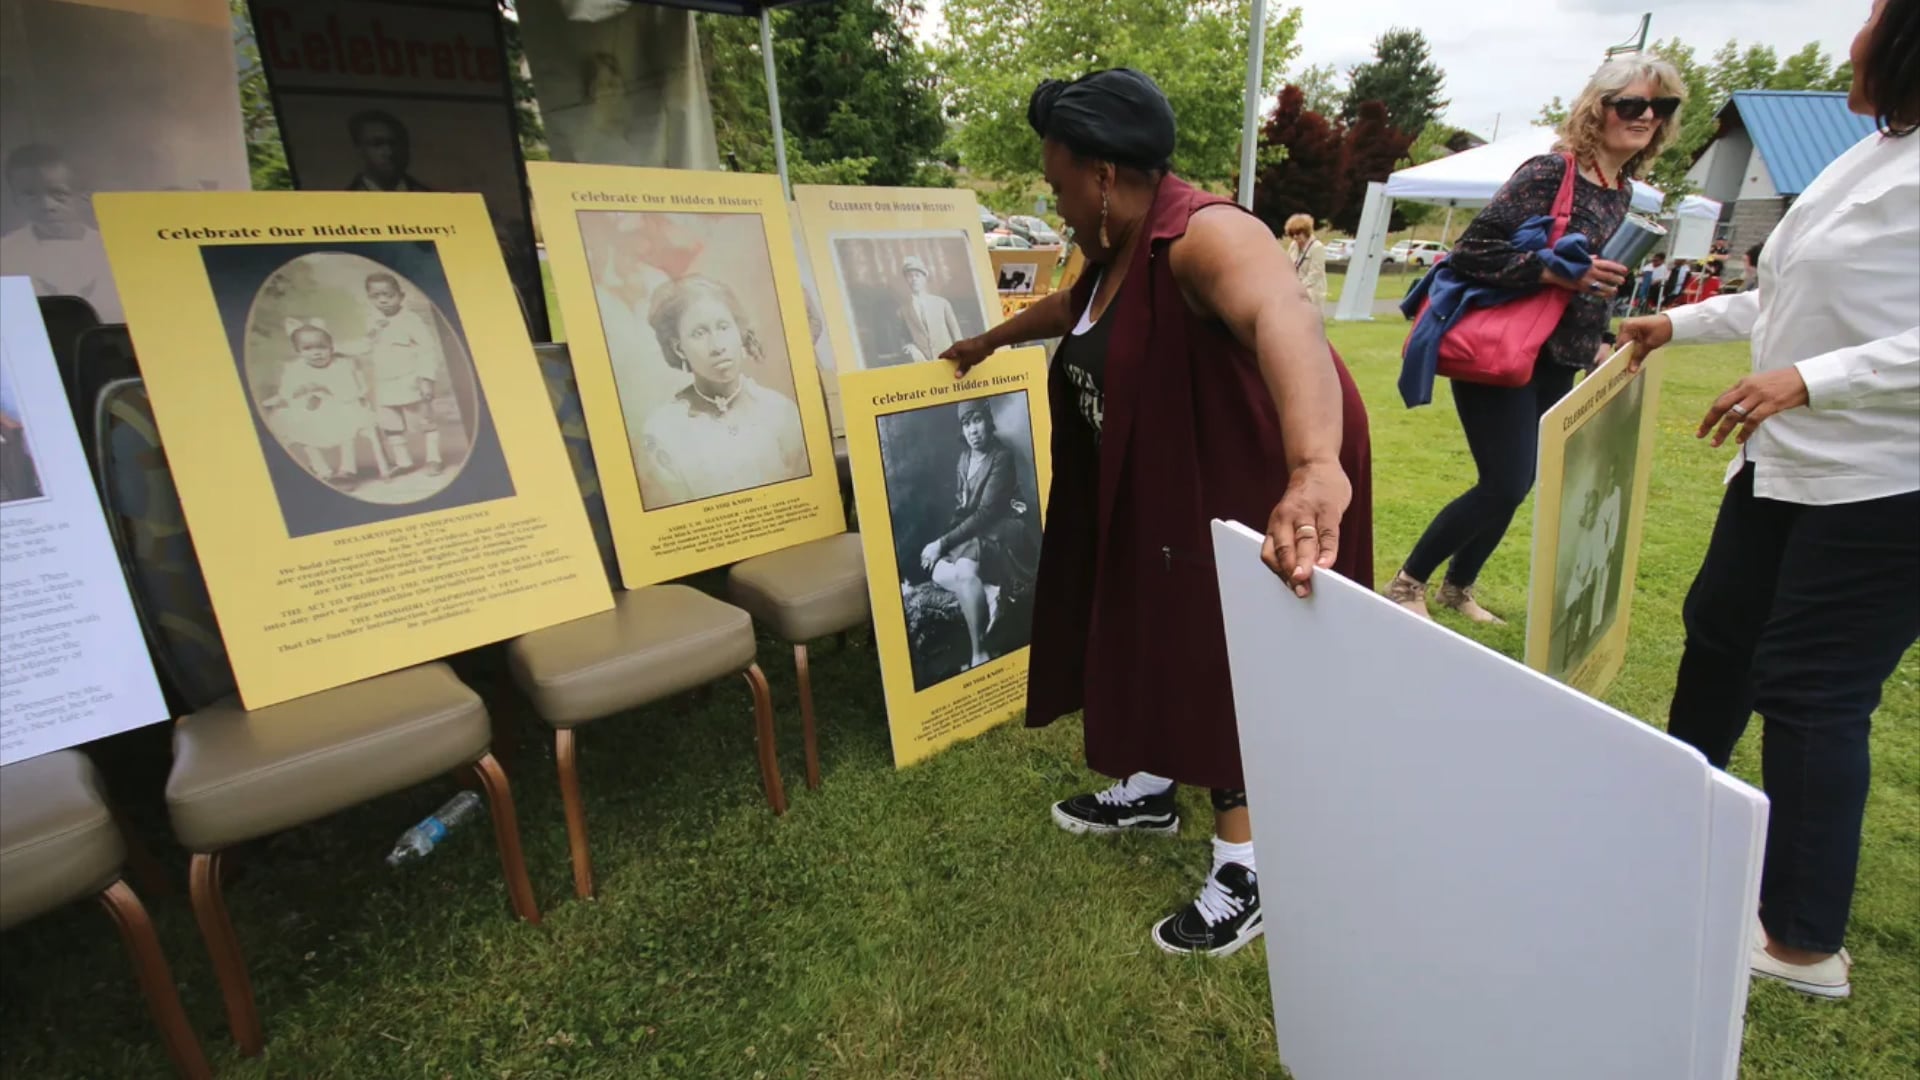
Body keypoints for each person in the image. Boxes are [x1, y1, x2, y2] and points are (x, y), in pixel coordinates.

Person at [941, 69, 1372, 958]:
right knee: (1139, 620)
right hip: (1163, 477)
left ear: (1103, 174)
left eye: (1058, 184)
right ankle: (1148, 788)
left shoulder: (1204, 233)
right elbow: (1077, 307)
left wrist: (1313, 465)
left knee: (1220, 656)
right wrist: (992, 340)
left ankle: (1246, 868)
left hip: (1254, 475)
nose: (1053, 202)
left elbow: (1285, 311)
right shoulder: (1119, 242)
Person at [1615, 0, 1918, 1001]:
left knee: (1811, 691)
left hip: (1882, 482)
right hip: (1783, 464)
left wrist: (1809, 380)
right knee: (1720, 637)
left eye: (1871, 23)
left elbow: (1843, 347)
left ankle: (1801, 942)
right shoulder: (1868, 152)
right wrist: (1678, 324)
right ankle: (1675, 825)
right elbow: (1786, 296)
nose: (1850, 44)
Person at [1384, 56, 1681, 623]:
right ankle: (1407, 583)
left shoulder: (1621, 190)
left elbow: (1594, 283)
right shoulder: (1550, 172)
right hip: (1503, 350)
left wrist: (1599, 341)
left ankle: (1456, 587)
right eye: (1632, 105)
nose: (1647, 117)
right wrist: (1554, 271)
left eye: (1660, 108)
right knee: (1505, 479)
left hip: (1559, 357)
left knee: (1518, 483)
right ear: (1600, 108)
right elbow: (1473, 251)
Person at [634, 274, 808, 508]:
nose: (717, 346)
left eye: (723, 327)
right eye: (699, 333)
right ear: (679, 347)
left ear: (739, 332)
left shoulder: (780, 411)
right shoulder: (663, 430)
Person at [920, 400, 1040, 669]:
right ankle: (989, 591)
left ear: (988, 421)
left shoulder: (1002, 457)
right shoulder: (964, 459)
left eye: (977, 421)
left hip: (1003, 529)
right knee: (939, 571)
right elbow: (963, 510)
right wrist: (942, 544)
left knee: (963, 569)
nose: (972, 430)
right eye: (966, 423)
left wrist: (942, 543)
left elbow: (986, 512)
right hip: (976, 528)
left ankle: (980, 653)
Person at [262, 320, 388, 491]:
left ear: (331, 347)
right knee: (297, 424)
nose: (316, 353)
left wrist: (325, 389)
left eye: (321, 347)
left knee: (347, 423)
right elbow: (287, 392)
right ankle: (322, 469)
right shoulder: (294, 368)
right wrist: (299, 393)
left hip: (340, 407)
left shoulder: (341, 365)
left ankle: (347, 470)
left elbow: (352, 391)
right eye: (308, 349)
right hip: (310, 410)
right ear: (298, 351)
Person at [0, 144, 119, 321]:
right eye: (30, 194)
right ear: (16, 198)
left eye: (58, 193)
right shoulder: (6, 253)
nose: (46, 206)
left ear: (82, 195)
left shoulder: (113, 249)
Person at [352, 272, 446, 476]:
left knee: (424, 421)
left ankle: (434, 458)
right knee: (390, 424)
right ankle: (404, 462)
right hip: (385, 383)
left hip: (410, 380)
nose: (383, 300)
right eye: (376, 296)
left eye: (388, 294)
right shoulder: (372, 321)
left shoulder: (411, 320)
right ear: (369, 298)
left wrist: (426, 380)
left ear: (400, 296)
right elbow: (365, 346)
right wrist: (344, 349)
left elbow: (427, 350)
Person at [343, 111, 431, 192]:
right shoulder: (342, 201)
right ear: (359, 150)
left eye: (394, 143)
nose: (389, 153)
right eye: (377, 144)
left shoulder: (429, 196)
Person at [899, 255, 963, 362]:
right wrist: (911, 348)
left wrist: (960, 355)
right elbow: (904, 337)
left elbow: (956, 333)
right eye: (910, 276)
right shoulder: (904, 310)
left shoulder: (942, 303)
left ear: (925, 278)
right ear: (906, 280)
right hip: (923, 361)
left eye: (917, 275)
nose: (914, 279)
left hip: (948, 358)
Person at [1283, 214, 1328, 309]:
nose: (1295, 237)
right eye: (1292, 234)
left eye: (1298, 233)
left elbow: (1315, 273)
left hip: (1312, 291)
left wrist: (1300, 287)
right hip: (1294, 288)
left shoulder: (1317, 247)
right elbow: (1287, 265)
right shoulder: (1293, 245)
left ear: (1306, 232)